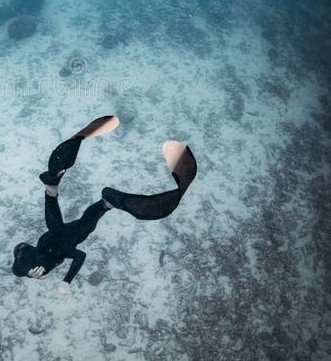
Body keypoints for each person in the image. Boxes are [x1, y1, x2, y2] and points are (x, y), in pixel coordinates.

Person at [12, 115, 197, 298]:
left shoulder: (30, 262)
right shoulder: (41, 260)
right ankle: (59, 191)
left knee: (76, 228)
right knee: (74, 226)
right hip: (57, 237)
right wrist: (45, 275)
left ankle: (102, 202)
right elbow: (29, 255)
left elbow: (20, 265)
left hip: (59, 241)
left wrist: (63, 280)